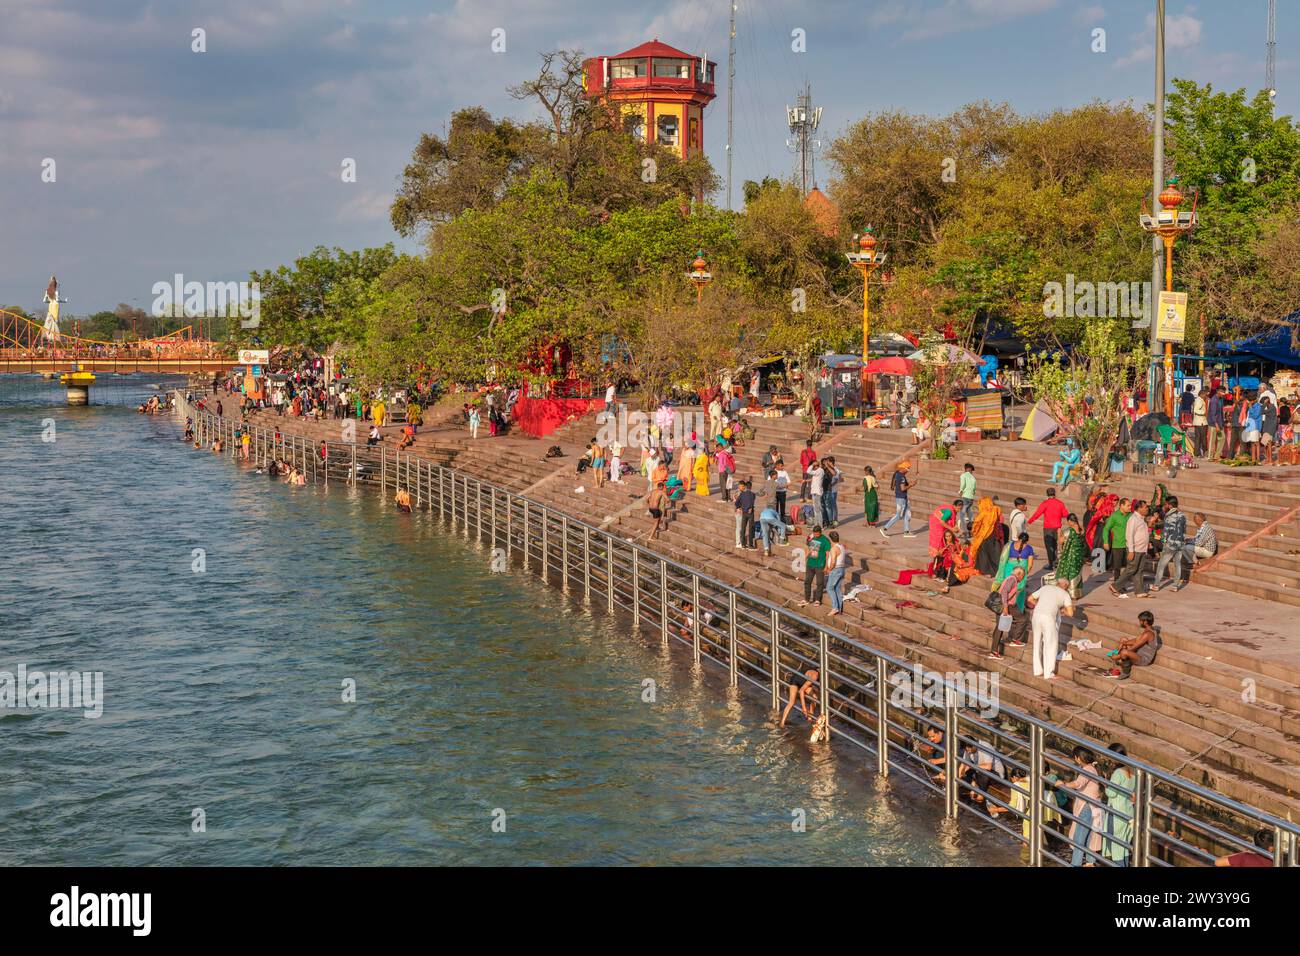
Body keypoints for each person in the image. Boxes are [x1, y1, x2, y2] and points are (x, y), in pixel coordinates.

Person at [1056, 746, 1104, 866]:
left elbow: (1078, 783)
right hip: (1095, 807)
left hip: (1087, 807)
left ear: (1078, 758)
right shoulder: (1094, 769)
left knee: (1079, 838)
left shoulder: (1087, 769)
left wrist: (1064, 784)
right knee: (1089, 836)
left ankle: (1075, 864)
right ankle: (1090, 863)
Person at [1027, 572, 1073, 680]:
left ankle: (1037, 670)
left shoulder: (1046, 587)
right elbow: (1070, 613)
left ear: (1057, 583)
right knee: (1050, 644)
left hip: (1036, 615)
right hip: (1048, 618)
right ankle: (1049, 673)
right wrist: (1062, 610)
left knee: (1037, 642)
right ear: (1066, 586)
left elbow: (1030, 599)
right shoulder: (1065, 594)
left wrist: (1039, 605)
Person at [1103, 743, 1135, 866]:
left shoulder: (1117, 773)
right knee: (1124, 846)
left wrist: (1105, 782)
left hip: (1116, 812)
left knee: (1115, 846)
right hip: (1129, 812)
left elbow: (1111, 793)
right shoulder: (1131, 771)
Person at [1111, 500, 1152, 598]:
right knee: (1131, 569)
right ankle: (1115, 586)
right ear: (1139, 508)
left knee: (1139, 570)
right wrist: (1131, 550)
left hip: (1142, 549)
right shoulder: (1133, 519)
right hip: (1135, 549)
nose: (1147, 509)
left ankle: (1139, 591)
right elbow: (1129, 535)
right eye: (1145, 507)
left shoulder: (1142, 519)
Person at [1106, 609, 1160, 679]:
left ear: (1145, 622)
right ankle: (1123, 660)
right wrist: (1124, 643)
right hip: (1139, 653)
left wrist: (1117, 656)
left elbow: (1133, 648)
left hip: (1144, 659)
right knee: (1123, 639)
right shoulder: (1148, 630)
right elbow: (1136, 640)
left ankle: (1126, 672)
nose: (1139, 622)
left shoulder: (1148, 634)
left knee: (1124, 652)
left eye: (1140, 621)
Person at [1151, 495, 1188, 592]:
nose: (1165, 505)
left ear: (1170, 505)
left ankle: (1156, 585)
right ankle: (1175, 586)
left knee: (1161, 564)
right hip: (1180, 543)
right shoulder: (1182, 515)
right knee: (1177, 564)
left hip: (1170, 543)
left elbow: (1166, 531)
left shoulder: (1169, 516)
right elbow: (1184, 530)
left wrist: (1163, 541)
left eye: (1166, 504)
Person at [989, 566, 1027, 659]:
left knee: (999, 627)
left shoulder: (1010, 579)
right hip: (1007, 605)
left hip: (1004, 605)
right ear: (1019, 574)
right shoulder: (1012, 579)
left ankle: (994, 650)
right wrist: (1005, 607)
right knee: (1022, 619)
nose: (1023, 578)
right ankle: (1014, 639)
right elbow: (1004, 592)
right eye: (1023, 576)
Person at [1028, 488, 1069, 570]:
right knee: (1055, 545)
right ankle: (1056, 562)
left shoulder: (1045, 503)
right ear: (1055, 494)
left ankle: (1051, 564)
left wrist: (1029, 521)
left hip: (1048, 528)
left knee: (1049, 546)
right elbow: (1065, 514)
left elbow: (1037, 513)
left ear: (1047, 494)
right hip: (1057, 527)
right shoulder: (1060, 503)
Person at [1055, 513, 1088, 599]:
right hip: (1079, 556)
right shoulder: (1081, 530)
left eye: (1068, 521)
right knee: (1078, 573)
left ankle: (1070, 593)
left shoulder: (1068, 531)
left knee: (1069, 572)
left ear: (1070, 521)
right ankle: (1077, 593)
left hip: (1070, 556)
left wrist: (1059, 533)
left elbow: (1061, 542)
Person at [879, 461, 916, 538]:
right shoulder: (901, 476)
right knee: (898, 516)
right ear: (904, 468)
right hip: (901, 498)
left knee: (907, 513)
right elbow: (902, 488)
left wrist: (909, 484)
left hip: (903, 497)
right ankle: (884, 528)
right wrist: (911, 485)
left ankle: (906, 531)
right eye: (908, 468)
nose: (908, 470)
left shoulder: (898, 474)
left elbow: (900, 485)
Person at [799, 525, 831, 607]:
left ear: (820, 532)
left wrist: (826, 566)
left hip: (820, 564)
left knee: (819, 583)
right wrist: (804, 558)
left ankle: (817, 600)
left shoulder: (825, 540)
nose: (816, 535)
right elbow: (810, 550)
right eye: (814, 534)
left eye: (817, 534)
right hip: (810, 563)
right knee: (807, 582)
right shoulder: (813, 538)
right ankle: (806, 599)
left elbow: (827, 554)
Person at [1101, 498, 1131, 581]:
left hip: (1129, 545)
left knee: (1128, 566)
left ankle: (1121, 583)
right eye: (1128, 505)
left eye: (1130, 505)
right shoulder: (1114, 516)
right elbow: (1106, 529)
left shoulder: (1131, 515)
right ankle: (1117, 585)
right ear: (1121, 506)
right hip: (1117, 545)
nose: (1129, 507)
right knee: (1117, 567)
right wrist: (1106, 542)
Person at [826, 531, 848, 614]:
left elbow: (833, 561)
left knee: (829, 588)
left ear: (831, 539)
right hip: (842, 569)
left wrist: (829, 569)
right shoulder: (842, 546)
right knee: (837, 589)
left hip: (835, 570)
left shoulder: (834, 548)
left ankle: (835, 607)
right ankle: (839, 608)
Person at [734, 480, 757, 550]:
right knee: (750, 528)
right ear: (751, 487)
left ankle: (743, 544)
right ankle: (750, 545)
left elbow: (736, 503)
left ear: (745, 486)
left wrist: (739, 507)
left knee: (743, 528)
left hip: (744, 512)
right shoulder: (753, 494)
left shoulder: (742, 494)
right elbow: (752, 502)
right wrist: (750, 507)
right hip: (750, 513)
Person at [957, 463, 977, 538]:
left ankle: (964, 533)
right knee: (970, 516)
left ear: (965, 469)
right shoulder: (973, 478)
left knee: (962, 516)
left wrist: (960, 491)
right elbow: (974, 490)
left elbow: (963, 485)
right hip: (971, 498)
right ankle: (971, 532)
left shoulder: (963, 475)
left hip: (965, 497)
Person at [1206, 386, 1225, 460]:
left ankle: (1217, 455)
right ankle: (1210, 457)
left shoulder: (1220, 399)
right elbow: (1212, 414)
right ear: (1218, 392)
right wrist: (1216, 424)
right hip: (1214, 424)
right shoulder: (1214, 400)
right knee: (1212, 440)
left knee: (1222, 438)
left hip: (1219, 423)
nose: (1223, 394)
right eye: (1222, 392)